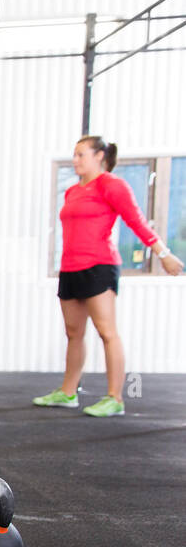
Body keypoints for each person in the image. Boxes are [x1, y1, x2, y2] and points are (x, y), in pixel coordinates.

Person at [34, 135, 183, 417]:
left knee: (106, 331)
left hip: (99, 265)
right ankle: (67, 393)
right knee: (73, 333)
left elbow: (136, 221)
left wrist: (163, 254)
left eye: (81, 155)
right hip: (70, 267)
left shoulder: (112, 186)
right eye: (74, 155)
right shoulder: (72, 191)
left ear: (99, 156)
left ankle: (115, 398)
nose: (75, 160)